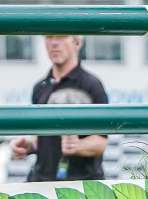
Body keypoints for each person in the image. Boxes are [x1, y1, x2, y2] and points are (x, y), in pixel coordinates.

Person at [11, 35, 110, 181]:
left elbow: (102, 142)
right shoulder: (40, 87)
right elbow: (41, 137)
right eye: (49, 37)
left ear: (77, 43)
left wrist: (78, 145)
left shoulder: (92, 85)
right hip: (41, 181)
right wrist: (29, 146)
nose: (54, 43)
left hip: (82, 184)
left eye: (61, 37)